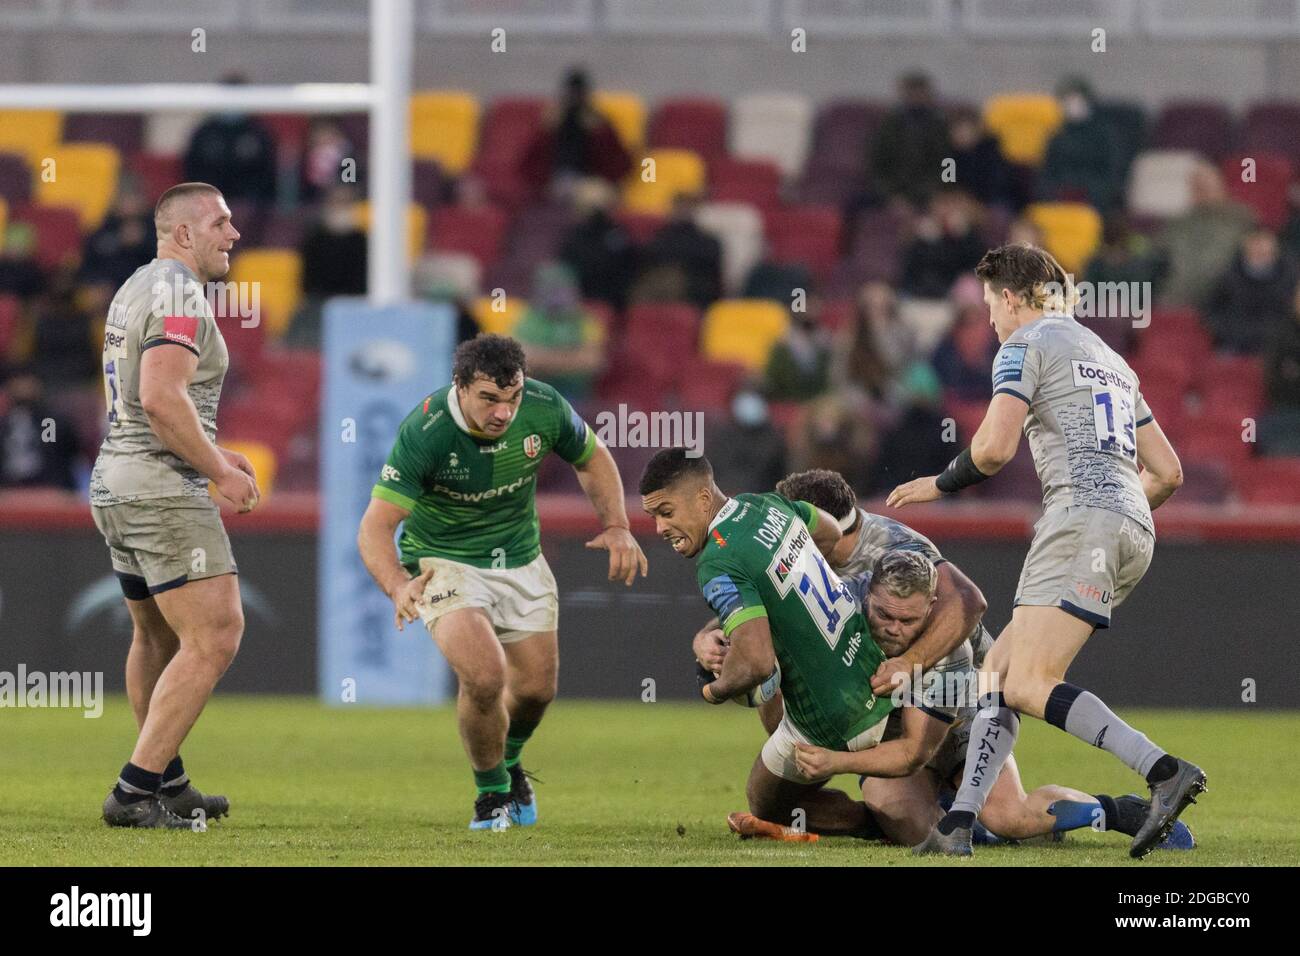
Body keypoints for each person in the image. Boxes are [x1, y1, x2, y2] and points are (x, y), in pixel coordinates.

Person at [886, 243, 1203, 858]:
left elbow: (993, 449)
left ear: (1010, 296)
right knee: (997, 678)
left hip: (1081, 518)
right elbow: (1167, 474)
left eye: (989, 306)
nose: (990, 322)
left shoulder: (1025, 345)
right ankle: (959, 825)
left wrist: (939, 483)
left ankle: (1162, 771)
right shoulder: (1109, 358)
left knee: (1029, 681)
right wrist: (1117, 514)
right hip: (1131, 524)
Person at [358, 334, 646, 830]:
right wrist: (397, 584)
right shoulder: (426, 430)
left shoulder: (544, 404)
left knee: (536, 691)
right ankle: (491, 796)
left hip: (519, 558)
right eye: (490, 399)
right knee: (486, 675)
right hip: (442, 562)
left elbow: (592, 458)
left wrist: (617, 525)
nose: (503, 413)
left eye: (511, 399)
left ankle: (509, 762)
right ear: (461, 387)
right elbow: (375, 527)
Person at [91, 182, 258, 829]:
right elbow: (161, 398)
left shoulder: (136, 285)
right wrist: (216, 468)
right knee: (216, 634)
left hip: (117, 480)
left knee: (156, 634)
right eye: (221, 221)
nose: (233, 234)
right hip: (161, 489)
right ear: (184, 233)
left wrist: (216, 450)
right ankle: (134, 792)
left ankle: (170, 781)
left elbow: (144, 399)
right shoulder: (182, 292)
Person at [640, 449, 896, 837]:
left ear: (703, 499)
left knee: (765, 800)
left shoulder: (716, 561)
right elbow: (829, 530)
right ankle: (905, 805)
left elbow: (757, 663)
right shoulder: (765, 505)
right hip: (875, 671)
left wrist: (714, 689)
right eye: (654, 516)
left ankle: (875, 823)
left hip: (832, 718)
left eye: (667, 512)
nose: (659, 528)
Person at [1036, 77, 1125, 211]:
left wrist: (1092, 194)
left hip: (1094, 197)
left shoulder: (1104, 134)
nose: (1073, 105)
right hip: (1059, 197)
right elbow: (1047, 172)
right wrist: (1054, 193)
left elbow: (1111, 173)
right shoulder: (1055, 134)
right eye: (1067, 101)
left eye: (1077, 100)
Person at [870, 72, 952, 211]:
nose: (916, 98)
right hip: (893, 191)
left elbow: (949, 162)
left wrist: (943, 192)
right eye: (911, 93)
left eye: (920, 93)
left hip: (931, 192)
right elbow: (875, 166)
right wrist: (892, 196)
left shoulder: (940, 125)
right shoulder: (889, 125)